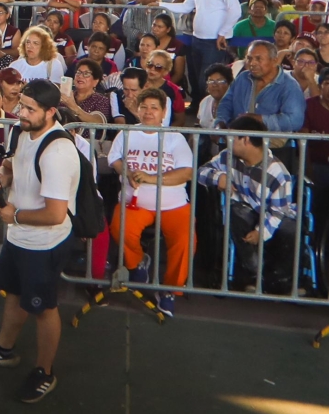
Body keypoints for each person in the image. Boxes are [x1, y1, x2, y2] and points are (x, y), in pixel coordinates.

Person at [0, 80, 81, 402]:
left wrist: (13, 217)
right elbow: (13, 165)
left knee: (44, 308)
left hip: (44, 242)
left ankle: (45, 372)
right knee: (14, 293)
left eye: (29, 108)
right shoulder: (20, 131)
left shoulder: (59, 152)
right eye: (21, 105)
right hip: (20, 237)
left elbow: (56, 214)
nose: (21, 112)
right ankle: (3, 348)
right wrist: (2, 177)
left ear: (52, 112)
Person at [105, 85, 194, 311]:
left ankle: (170, 289)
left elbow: (186, 172)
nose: (148, 111)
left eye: (154, 107)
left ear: (164, 112)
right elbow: (114, 159)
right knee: (119, 227)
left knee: (185, 241)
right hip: (134, 202)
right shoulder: (127, 133)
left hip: (173, 203)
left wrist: (151, 178)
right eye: (144, 107)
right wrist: (125, 170)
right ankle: (137, 262)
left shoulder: (175, 138)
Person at [196, 115, 300, 294]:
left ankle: (279, 279)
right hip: (245, 210)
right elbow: (201, 171)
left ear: (245, 139)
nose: (227, 141)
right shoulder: (227, 157)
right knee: (236, 211)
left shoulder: (277, 173)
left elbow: (278, 212)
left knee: (289, 227)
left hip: (275, 216)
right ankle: (252, 273)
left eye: (232, 137)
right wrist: (218, 177)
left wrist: (262, 231)